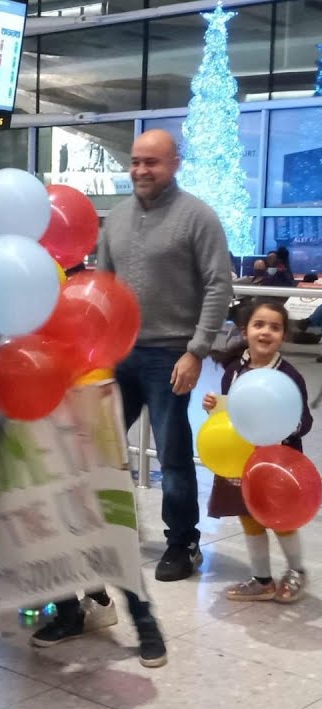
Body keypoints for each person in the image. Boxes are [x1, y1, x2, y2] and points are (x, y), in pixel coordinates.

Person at [98, 128, 234, 582]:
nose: (141, 170)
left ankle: (183, 542)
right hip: (119, 353)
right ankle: (110, 529)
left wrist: (196, 351)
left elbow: (218, 285)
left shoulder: (198, 217)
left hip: (170, 355)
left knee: (172, 455)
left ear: (175, 163)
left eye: (151, 162)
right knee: (102, 447)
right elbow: (103, 287)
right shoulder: (117, 218)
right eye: (136, 161)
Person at [203, 300, 311, 602]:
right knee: (248, 517)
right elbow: (230, 415)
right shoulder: (233, 371)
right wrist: (214, 409)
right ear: (245, 331)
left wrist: (281, 423)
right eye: (259, 324)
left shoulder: (289, 376)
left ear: (284, 336)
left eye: (275, 327)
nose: (266, 332)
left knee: (280, 519)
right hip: (241, 460)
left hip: (277, 461)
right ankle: (262, 579)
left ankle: (297, 571)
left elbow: (304, 422)